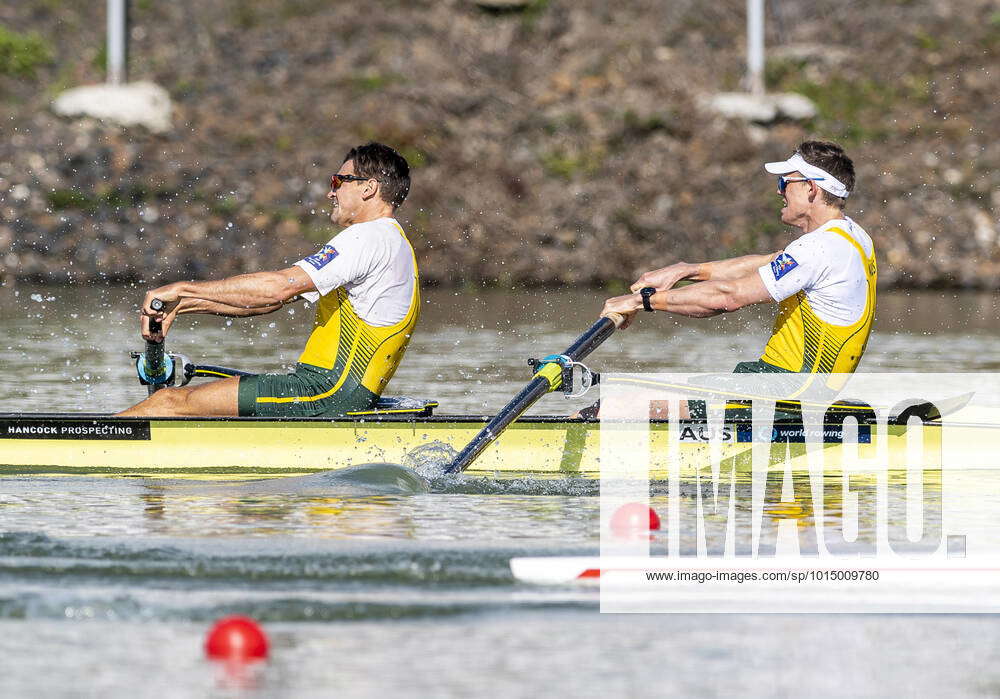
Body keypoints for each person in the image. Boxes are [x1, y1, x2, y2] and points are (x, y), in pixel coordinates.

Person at [117, 142, 419, 417]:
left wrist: (181, 287)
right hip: (336, 392)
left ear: (368, 188)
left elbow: (276, 288)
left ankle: (81, 448)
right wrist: (184, 305)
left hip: (324, 392)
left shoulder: (367, 238)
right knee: (182, 402)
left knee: (167, 403)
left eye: (338, 181)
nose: (331, 192)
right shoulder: (391, 240)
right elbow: (265, 304)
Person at [594, 140, 875, 417]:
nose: (780, 192)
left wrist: (640, 301)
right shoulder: (851, 236)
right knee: (636, 399)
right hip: (780, 387)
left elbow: (728, 297)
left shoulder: (819, 248)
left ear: (811, 188)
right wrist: (687, 270)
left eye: (784, 183)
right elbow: (767, 263)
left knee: (615, 407)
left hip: (784, 395)